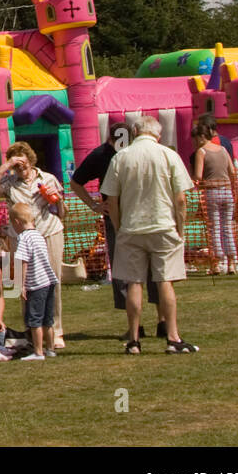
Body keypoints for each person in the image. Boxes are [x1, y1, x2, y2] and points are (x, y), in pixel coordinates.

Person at [100, 116, 199, 354]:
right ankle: (173, 337)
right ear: (159, 134)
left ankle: (134, 339)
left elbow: (111, 200)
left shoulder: (120, 157)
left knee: (134, 282)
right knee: (165, 281)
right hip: (163, 224)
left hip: (131, 227)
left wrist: (118, 224)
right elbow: (181, 198)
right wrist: (180, 227)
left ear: (134, 132)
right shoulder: (169, 155)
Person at [68, 136, 166, 340]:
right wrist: (93, 205)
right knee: (124, 273)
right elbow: (76, 182)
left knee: (153, 269)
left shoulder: (138, 153)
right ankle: (135, 327)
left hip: (142, 216)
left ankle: (162, 321)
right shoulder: (100, 155)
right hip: (116, 218)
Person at [0, 141, 66, 349]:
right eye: (17, 164)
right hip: (20, 239)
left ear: (31, 159)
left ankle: (55, 331)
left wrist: (55, 200)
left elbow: (62, 211)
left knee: (52, 283)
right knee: (25, 284)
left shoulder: (48, 178)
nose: (21, 167)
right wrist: (6, 165)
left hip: (48, 233)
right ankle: (32, 329)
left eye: (23, 161)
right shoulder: (9, 183)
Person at [11, 203, 58, 361]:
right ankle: (50, 348)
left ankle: (38, 351)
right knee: (48, 319)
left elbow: (23, 262)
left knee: (34, 319)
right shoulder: (39, 235)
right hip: (49, 281)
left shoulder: (23, 238)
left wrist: (21, 284)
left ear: (17, 222)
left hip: (36, 283)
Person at [193, 119, 238, 274]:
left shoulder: (202, 151)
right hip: (227, 191)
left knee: (214, 228)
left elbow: (198, 175)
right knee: (227, 227)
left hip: (211, 192)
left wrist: (197, 182)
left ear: (200, 136)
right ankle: (232, 262)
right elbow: (233, 172)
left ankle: (217, 263)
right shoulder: (223, 150)